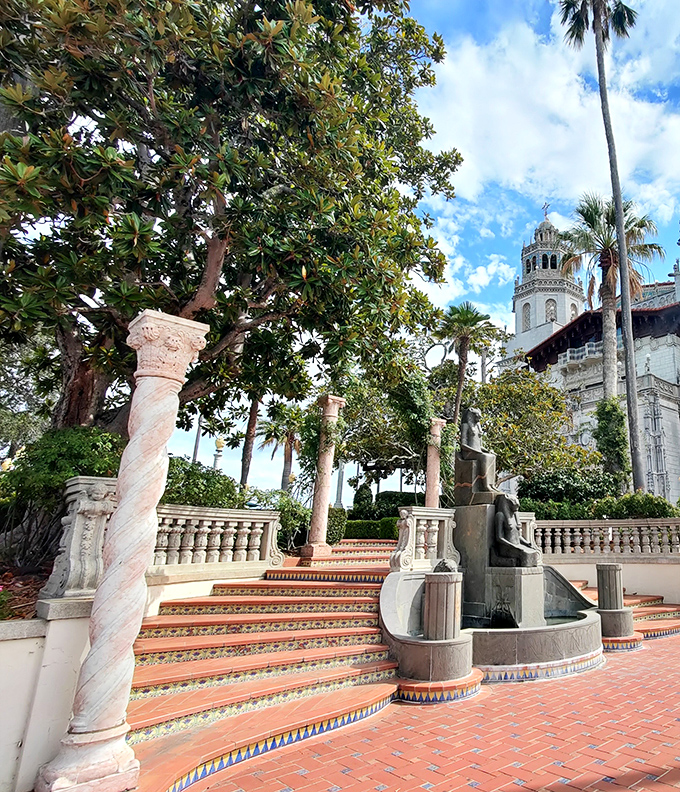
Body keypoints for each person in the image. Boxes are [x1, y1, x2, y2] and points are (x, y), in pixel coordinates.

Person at [492, 493, 541, 567]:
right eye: (515, 506)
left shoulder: (514, 516)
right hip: (506, 548)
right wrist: (512, 546)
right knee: (525, 555)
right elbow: (499, 538)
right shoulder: (500, 515)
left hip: (516, 546)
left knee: (534, 552)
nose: (516, 509)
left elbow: (518, 536)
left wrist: (527, 543)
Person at [459, 407, 499, 493]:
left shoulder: (477, 427)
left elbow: (479, 446)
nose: (479, 419)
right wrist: (477, 452)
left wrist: (488, 451)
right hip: (468, 453)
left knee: (492, 456)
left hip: (477, 452)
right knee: (484, 457)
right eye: (477, 417)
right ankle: (485, 485)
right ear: (472, 417)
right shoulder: (465, 426)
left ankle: (491, 484)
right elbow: (463, 445)